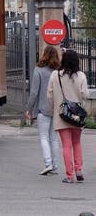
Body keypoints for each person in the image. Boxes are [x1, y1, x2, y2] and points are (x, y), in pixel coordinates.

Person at [47, 49, 89, 184]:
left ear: (63, 60)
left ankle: (70, 175)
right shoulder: (81, 76)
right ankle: (79, 170)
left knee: (66, 145)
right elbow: (85, 95)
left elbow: (50, 95)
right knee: (77, 143)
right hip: (77, 116)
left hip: (61, 115)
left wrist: (53, 109)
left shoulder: (55, 75)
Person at [26, 45, 61, 175]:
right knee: (53, 138)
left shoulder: (38, 70)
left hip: (43, 109)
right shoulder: (58, 71)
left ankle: (48, 163)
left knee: (44, 138)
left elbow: (34, 92)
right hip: (56, 109)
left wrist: (29, 108)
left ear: (44, 54)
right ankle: (55, 165)